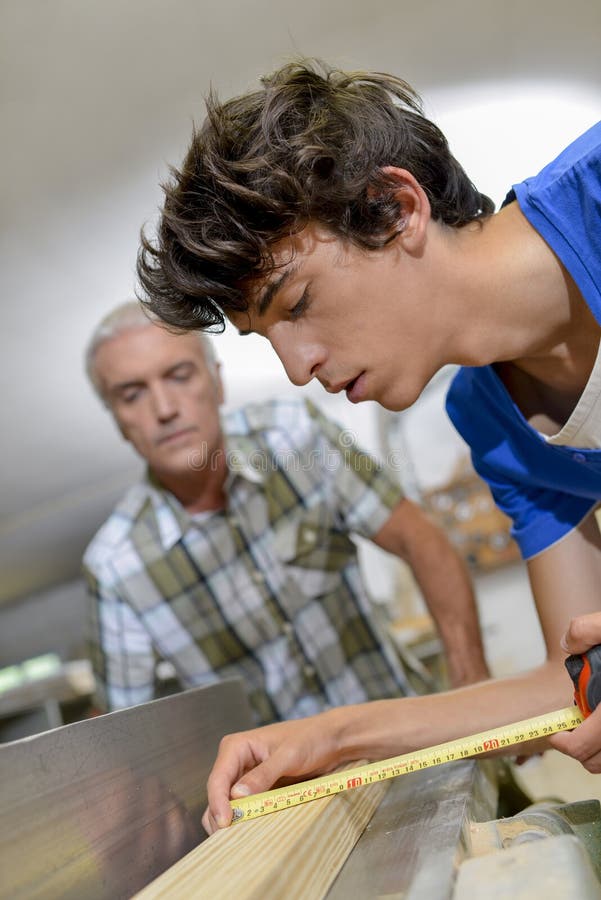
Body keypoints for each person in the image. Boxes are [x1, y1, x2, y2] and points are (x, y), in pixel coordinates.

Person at [134, 60, 601, 828]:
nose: (295, 367)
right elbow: (573, 683)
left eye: (299, 304)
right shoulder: (489, 418)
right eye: (265, 339)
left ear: (393, 208)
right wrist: (334, 737)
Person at [82, 301, 487, 723]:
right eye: (132, 394)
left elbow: (419, 540)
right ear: (118, 421)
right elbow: (126, 735)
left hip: (405, 731)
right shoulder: (115, 569)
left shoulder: (295, 437)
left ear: (217, 383)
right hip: (288, 787)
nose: (164, 408)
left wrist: (471, 684)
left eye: (179, 376)